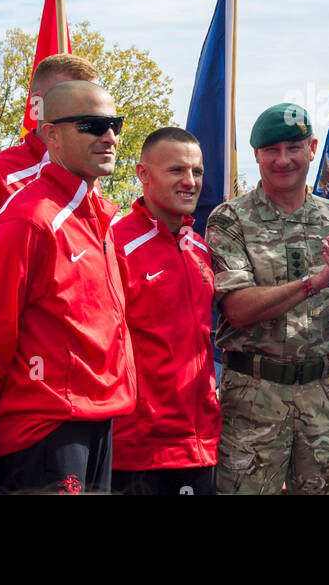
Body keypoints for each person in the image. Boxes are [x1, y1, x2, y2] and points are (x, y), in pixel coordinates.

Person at [0, 81, 136, 494]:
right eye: (93, 125)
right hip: (46, 428)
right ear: (51, 134)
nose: (109, 136)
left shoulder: (96, 216)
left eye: (115, 124)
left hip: (98, 418)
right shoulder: (30, 219)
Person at [206, 103, 329, 495]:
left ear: (313, 148)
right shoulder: (230, 219)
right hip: (253, 396)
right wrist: (313, 283)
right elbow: (236, 307)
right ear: (257, 155)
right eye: (271, 150)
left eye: (293, 147)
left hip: (324, 394)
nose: (283, 160)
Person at [110, 127, 220, 495]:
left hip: (200, 443)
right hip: (138, 449)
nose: (190, 181)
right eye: (176, 170)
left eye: (197, 172)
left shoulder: (200, 249)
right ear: (143, 174)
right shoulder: (113, 244)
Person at [0, 53, 100, 273]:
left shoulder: (89, 174)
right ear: (37, 104)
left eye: (93, 98)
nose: (90, 110)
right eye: (73, 98)